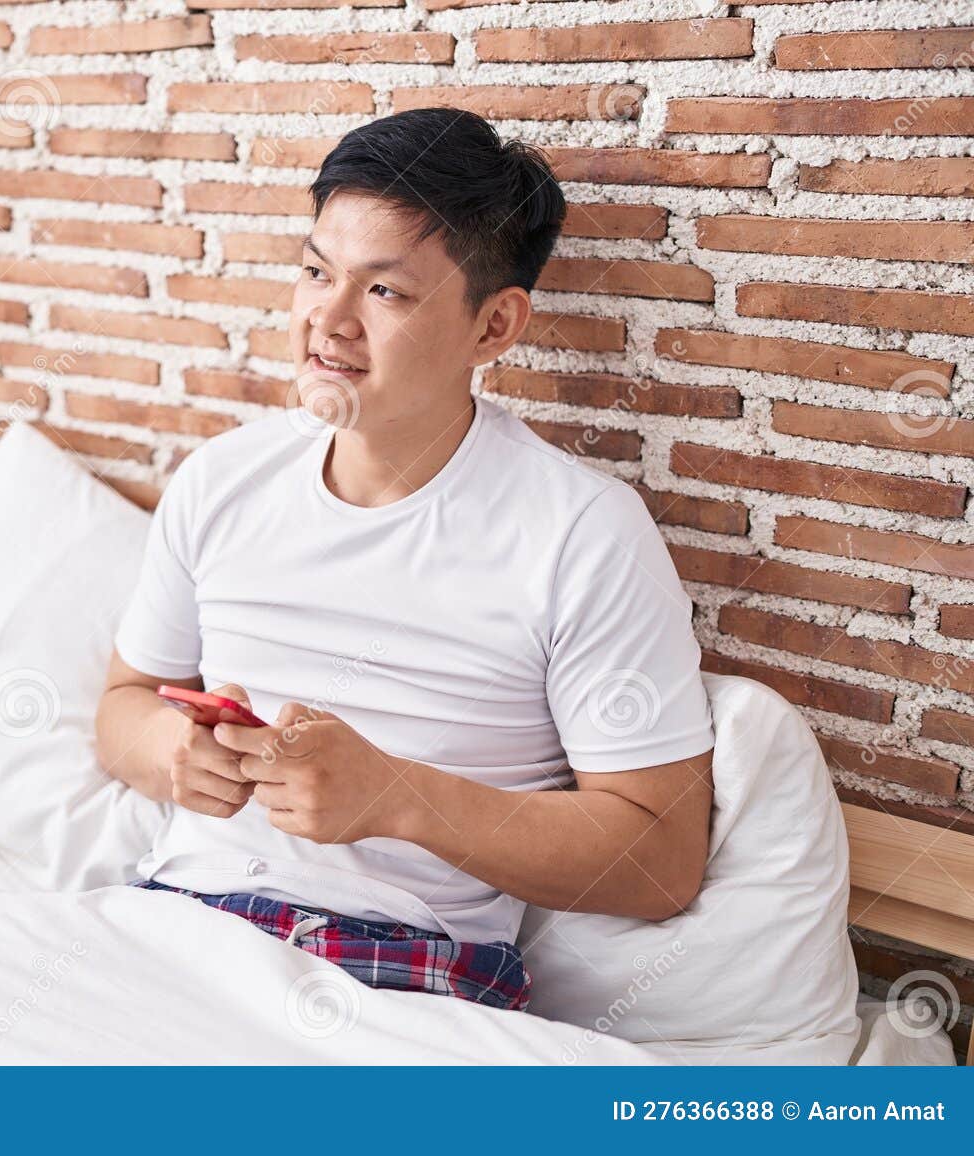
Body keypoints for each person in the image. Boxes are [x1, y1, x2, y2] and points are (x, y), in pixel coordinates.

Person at [93, 107, 715, 1011]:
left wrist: (398, 798)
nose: (327, 321)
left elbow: (659, 861)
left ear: (494, 326)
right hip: (176, 928)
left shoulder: (581, 531)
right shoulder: (223, 480)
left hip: (399, 974)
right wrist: (167, 749)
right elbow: (120, 705)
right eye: (315, 273)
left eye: (384, 292)